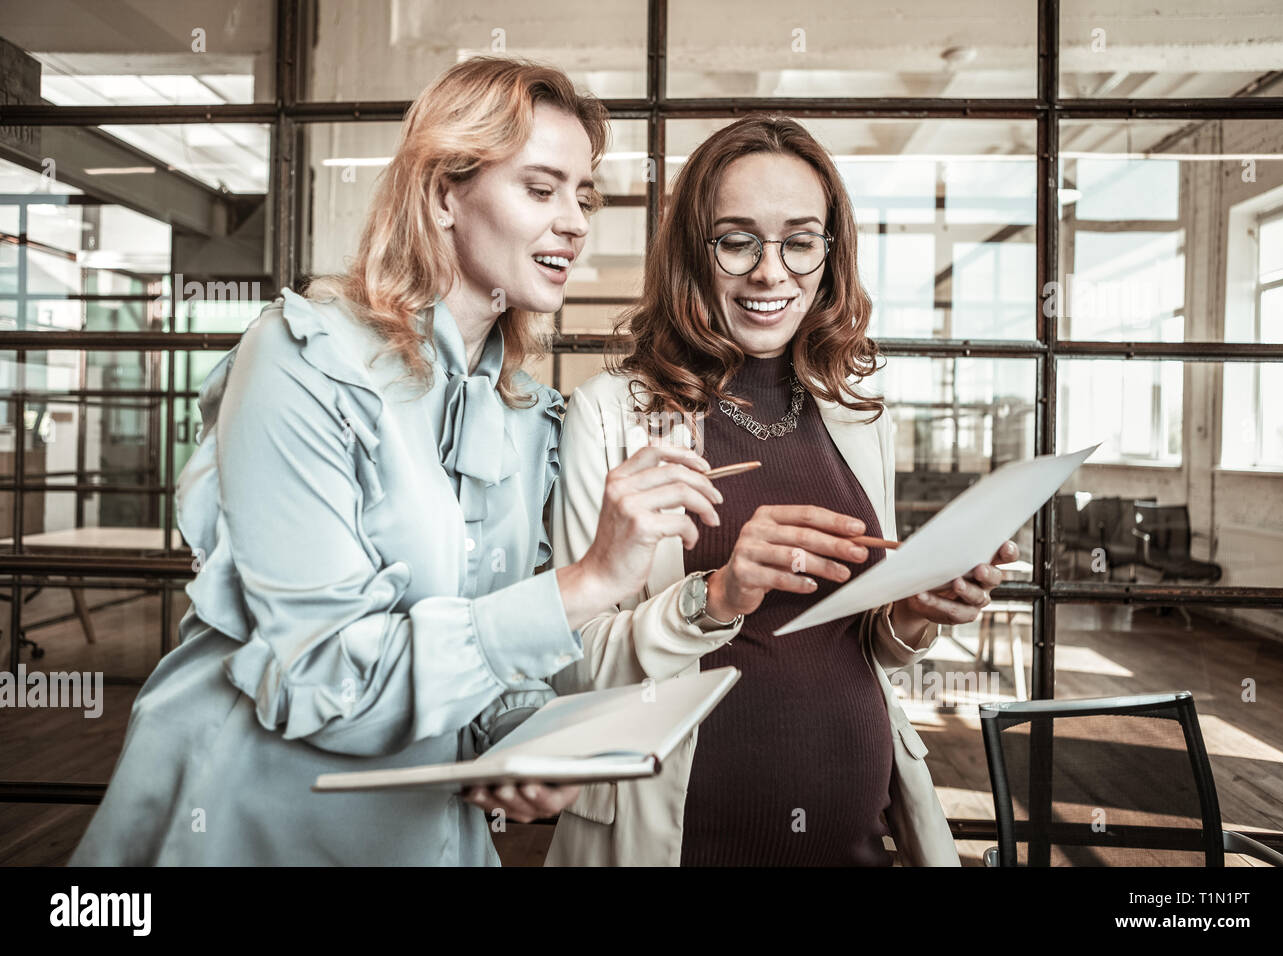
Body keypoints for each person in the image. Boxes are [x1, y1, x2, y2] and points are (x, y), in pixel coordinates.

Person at [69, 56, 717, 866]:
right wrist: (586, 582)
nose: (577, 222)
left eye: (582, 195)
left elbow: (494, 662)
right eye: (541, 189)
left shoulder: (521, 415)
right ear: (445, 193)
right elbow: (320, 677)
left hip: (425, 838)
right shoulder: (300, 361)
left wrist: (528, 744)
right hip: (247, 828)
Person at [543, 115, 1020, 866]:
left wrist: (914, 612)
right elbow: (572, 670)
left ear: (830, 255)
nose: (772, 273)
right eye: (738, 240)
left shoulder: (859, 416)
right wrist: (718, 594)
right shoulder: (610, 416)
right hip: (681, 838)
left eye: (800, 241)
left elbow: (869, 647)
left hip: (858, 836)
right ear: (691, 254)